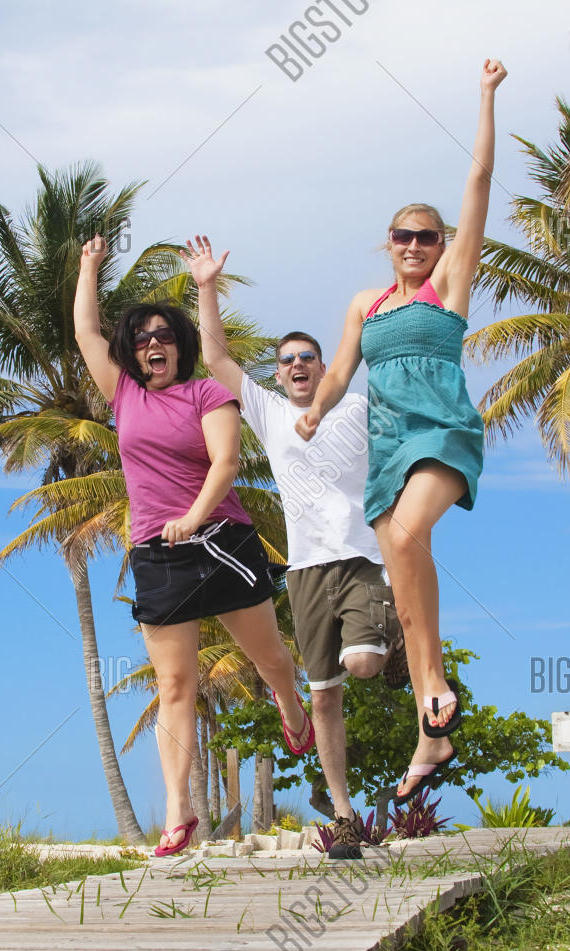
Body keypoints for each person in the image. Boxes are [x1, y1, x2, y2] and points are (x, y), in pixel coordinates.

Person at [296, 58, 507, 807]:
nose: (414, 245)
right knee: (407, 594)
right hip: (388, 449)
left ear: (441, 242)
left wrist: (483, 97)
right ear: (387, 243)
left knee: (412, 538)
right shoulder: (366, 303)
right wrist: (318, 407)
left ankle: (437, 685)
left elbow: (478, 182)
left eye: (425, 236)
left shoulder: (451, 285)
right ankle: (431, 724)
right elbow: (339, 370)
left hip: (441, 433)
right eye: (402, 236)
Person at [73, 234, 315, 857]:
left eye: (166, 336)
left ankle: (292, 707)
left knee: (270, 662)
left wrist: (193, 516)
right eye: (144, 338)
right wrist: (89, 267)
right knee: (175, 686)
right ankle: (179, 812)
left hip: (220, 541)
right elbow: (85, 334)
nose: (155, 345)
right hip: (157, 554)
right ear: (133, 351)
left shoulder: (208, 392)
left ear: (180, 345)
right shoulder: (123, 394)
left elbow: (226, 462)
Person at [185, 236, 401, 860]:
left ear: (325, 364)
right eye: (288, 360)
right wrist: (206, 286)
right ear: (278, 373)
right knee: (325, 694)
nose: (300, 366)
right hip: (304, 571)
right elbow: (218, 358)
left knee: (363, 664)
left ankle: (395, 645)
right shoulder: (270, 413)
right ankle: (344, 815)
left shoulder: (356, 405)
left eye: (309, 356)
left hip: (361, 557)